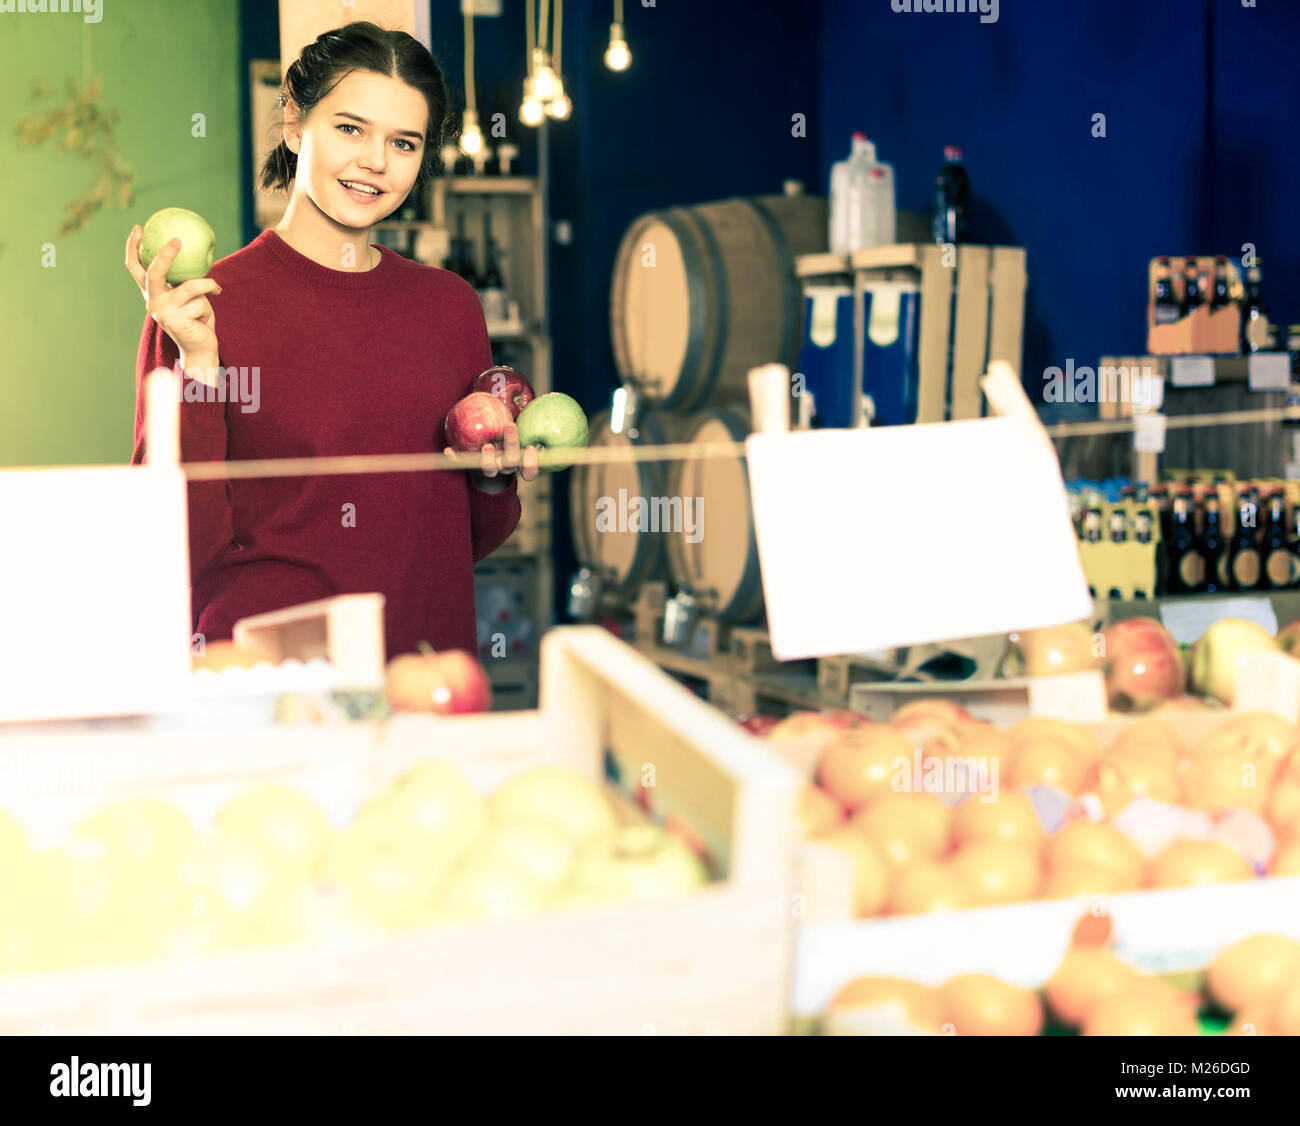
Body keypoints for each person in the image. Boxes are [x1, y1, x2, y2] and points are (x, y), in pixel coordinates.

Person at [124, 21, 538, 662]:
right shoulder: (199, 307)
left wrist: (492, 480)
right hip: (270, 694)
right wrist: (198, 364)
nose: (375, 161)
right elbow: (174, 546)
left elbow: (462, 535)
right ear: (294, 122)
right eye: (350, 128)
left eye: (403, 142)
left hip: (423, 674)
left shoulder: (449, 307)